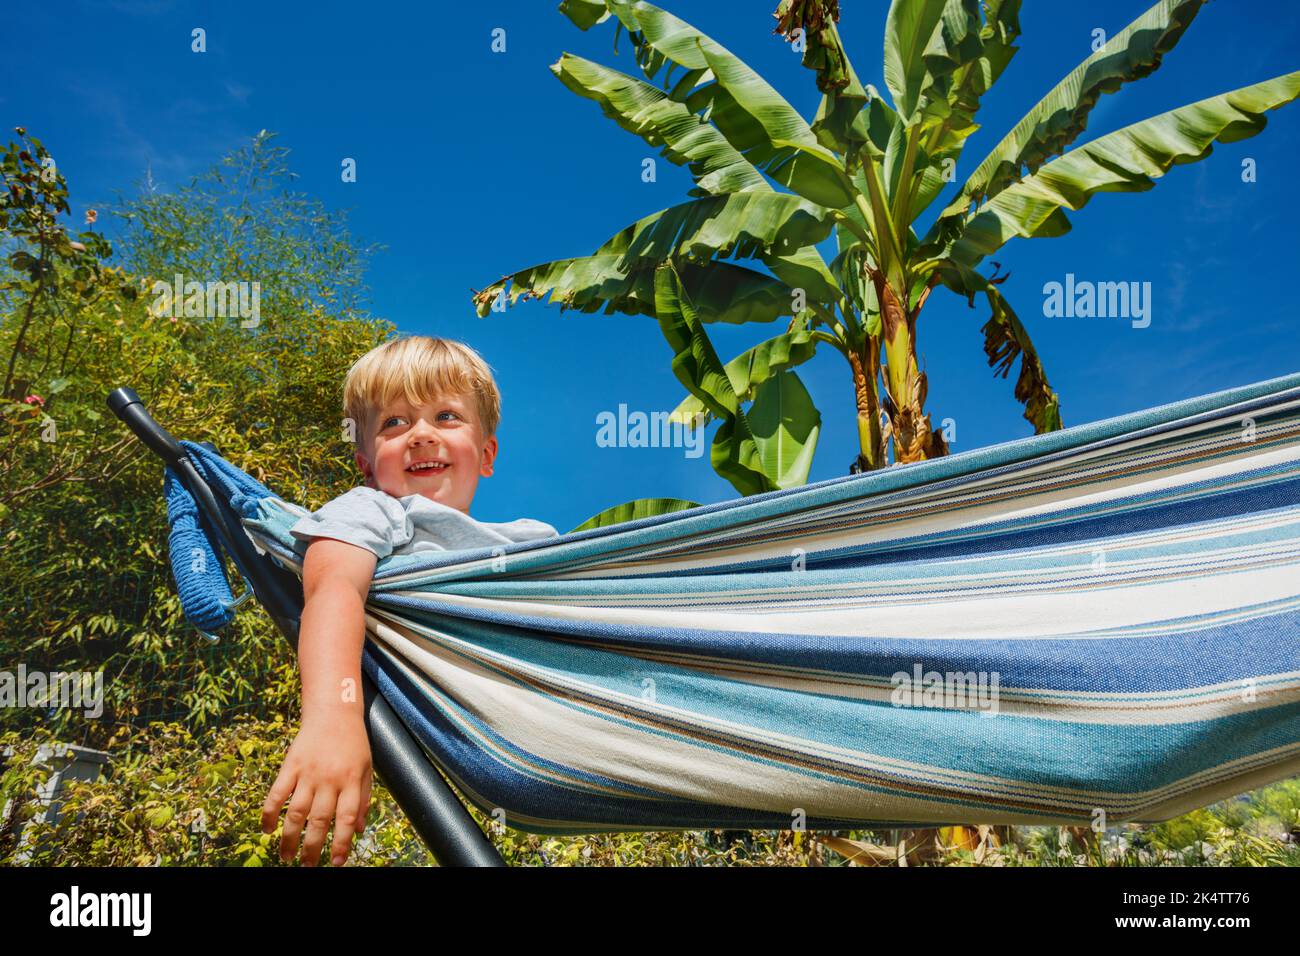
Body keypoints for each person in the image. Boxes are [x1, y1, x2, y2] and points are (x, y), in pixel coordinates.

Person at [260, 335, 558, 866]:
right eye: (394, 423)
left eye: (446, 417)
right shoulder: (377, 510)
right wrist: (333, 718)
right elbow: (333, 584)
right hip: (485, 727)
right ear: (367, 463)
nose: (420, 435)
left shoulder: (532, 539)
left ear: (487, 454)